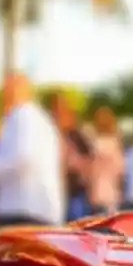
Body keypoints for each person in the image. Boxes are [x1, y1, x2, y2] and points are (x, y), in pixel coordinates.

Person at [0, 74, 65, 227]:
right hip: (35, 210)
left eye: (9, 89)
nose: (5, 94)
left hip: (22, 211)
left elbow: (23, 157)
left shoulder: (23, 115)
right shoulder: (38, 119)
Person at [49, 92, 92, 220]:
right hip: (59, 192)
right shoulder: (50, 135)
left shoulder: (77, 137)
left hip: (75, 192)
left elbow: (88, 159)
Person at [87, 106, 125, 215]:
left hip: (96, 195)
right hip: (112, 195)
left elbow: (90, 171)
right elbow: (121, 170)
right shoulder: (115, 146)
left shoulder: (93, 146)